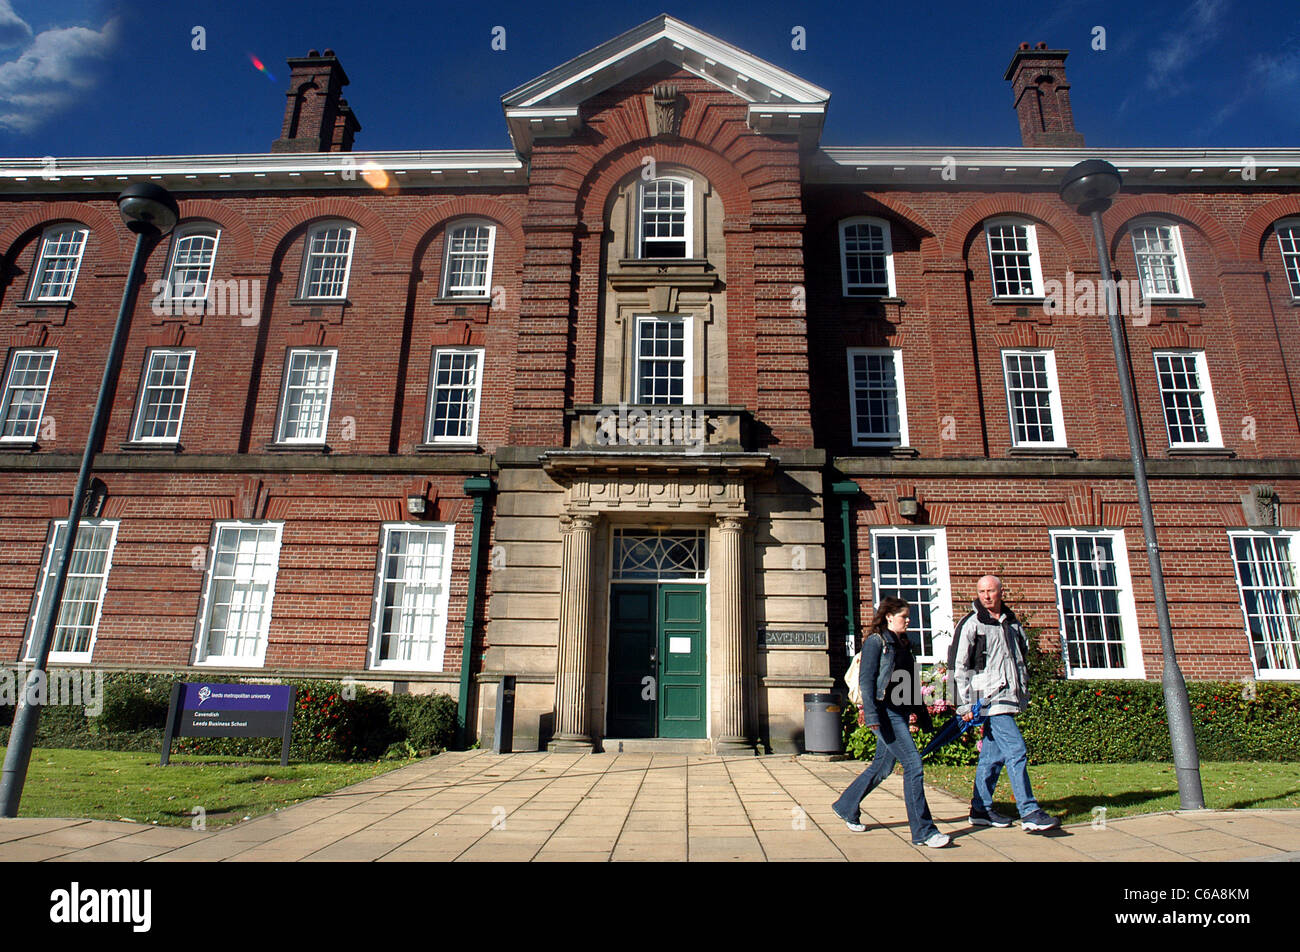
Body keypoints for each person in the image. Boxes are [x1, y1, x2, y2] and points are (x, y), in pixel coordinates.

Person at [833, 596, 950, 848]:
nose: (908, 621)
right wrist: (873, 716)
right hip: (886, 712)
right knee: (913, 765)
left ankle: (846, 805)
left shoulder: (903, 645)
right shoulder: (876, 642)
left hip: (899, 710)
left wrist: (923, 716)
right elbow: (867, 681)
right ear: (889, 617)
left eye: (908, 617)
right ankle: (924, 831)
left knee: (883, 766)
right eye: (904, 617)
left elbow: (911, 685)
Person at [953, 575, 1061, 832]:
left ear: (1001, 592)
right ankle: (1030, 811)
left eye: (990, 591)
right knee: (1016, 750)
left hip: (1009, 697)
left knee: (992, 756)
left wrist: (1022, 691)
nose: (986, 596)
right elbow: (958, 666)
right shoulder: (971, 624)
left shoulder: (1012, 624)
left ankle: (980, 808)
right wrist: (964, 706)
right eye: (981, 591)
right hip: (990, 699)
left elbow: (1020, 660)